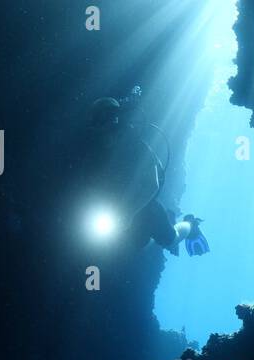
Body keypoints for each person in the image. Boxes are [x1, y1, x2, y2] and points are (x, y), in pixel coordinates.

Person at [85, 87, 209, 256]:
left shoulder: (137, 148)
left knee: (170, 239)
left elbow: (152, 185)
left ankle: (190, 225)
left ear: (116, 122)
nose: (106, 135)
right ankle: (160, 224)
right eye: (100, 128)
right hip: (121, 207)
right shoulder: (99, 151)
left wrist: (128, 213)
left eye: (108, 126)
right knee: (139, 245)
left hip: (145, 205)